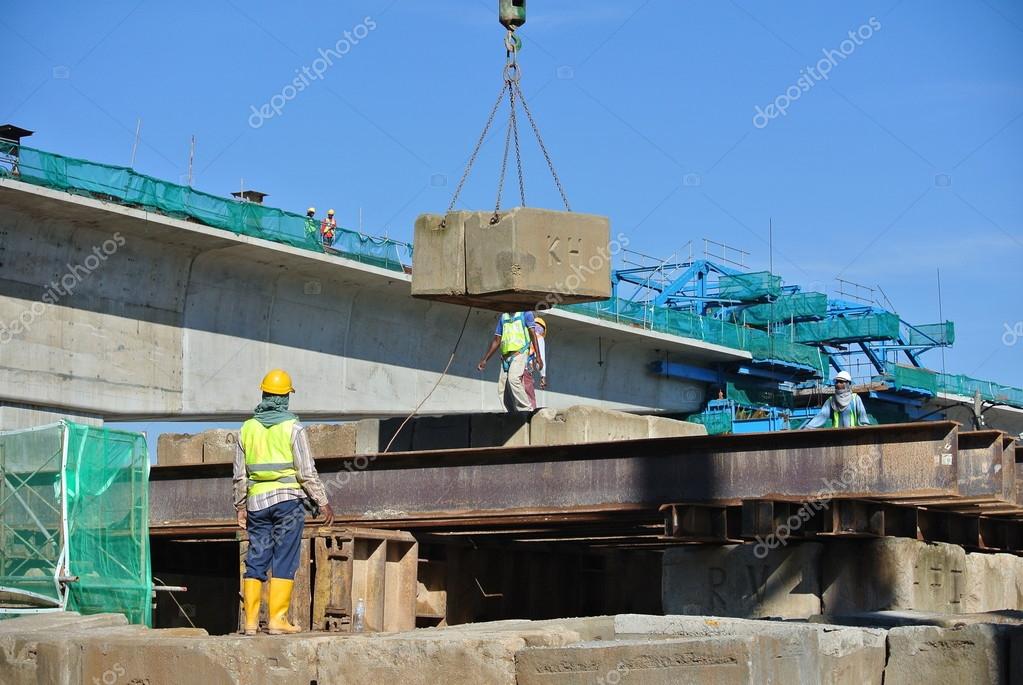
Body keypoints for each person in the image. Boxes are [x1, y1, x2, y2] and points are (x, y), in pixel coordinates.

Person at [235, 369, 334, 635]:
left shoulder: (246, 429)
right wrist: (322, 500)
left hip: (257, 503)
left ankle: (251, 623)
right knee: (285, 557)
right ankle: (278, 621)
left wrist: (240, 507)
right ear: (285, 398)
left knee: (256, 557)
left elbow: (239, 474)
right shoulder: (294, 428)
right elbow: (306, 471)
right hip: (288, 502)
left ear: (264, 393)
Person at [477, 311, 543, 413]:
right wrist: (485, 359)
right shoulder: (504, 317)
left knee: (514, 379)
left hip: (520, 353)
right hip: (506, 358)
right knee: (501, 389)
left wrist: (538, 356)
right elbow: (497, 340)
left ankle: (527, 410)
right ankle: (511, 413)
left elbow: (533, 335)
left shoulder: (526, 314)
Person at [803, 371, 871, 429]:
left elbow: (863, 419)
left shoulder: (855, 399)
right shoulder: (831, 401)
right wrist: (808, 428)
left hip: (852, 435)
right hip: (837, 436)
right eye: (837, 382)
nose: (838, 384)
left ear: (848, 384)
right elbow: (821, 416)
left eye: (841, 382)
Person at [521, 316, 548, 409]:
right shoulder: (539, 337)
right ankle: (531, 416)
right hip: (526, 368)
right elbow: (541, 359)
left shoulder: (524, 333)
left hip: (515, 365)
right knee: (529, 395)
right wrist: (543, 376)